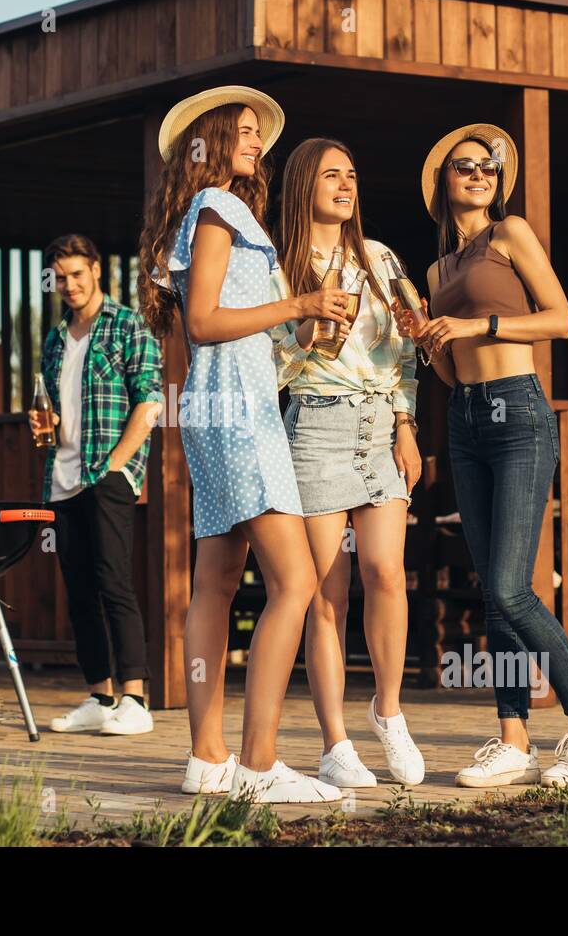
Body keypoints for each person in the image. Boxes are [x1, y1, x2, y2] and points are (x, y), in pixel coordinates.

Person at [138, 85, 351, 803]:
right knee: (295, 583)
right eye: (247, 130)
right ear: (212, 137)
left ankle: (207, 759)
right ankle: (259, 766)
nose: (259, 142)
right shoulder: (221, 208)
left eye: (261, 133)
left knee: (217, 583)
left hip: (218, 405)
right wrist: (299, 302)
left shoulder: (210, 212)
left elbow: (234, 324)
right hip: (240, 416)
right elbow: (202, 320)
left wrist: (305, 326)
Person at [401, 125, 568, 786]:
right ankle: (514, 740)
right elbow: (446, 371)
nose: (480, 174)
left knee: (508, 586)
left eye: (489, 168)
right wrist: (428, 339)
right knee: (492, 596)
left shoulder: (511, 234)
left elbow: (560, 319)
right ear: (443, 182)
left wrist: (478, 324)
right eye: (465, 167)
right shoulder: (437, 270)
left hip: (518, 410)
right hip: (465, 417)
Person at [269, 138, 425, 788]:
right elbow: (270, 361)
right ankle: (335, 742)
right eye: (331, 175)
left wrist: (408, 425)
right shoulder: (280, 265)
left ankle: (387, 711)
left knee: (387, 573)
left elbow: (404, 353)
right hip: (315, 425)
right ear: (304, 185)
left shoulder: (380, 257)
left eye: (352, 175)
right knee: (326, 594)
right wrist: (305, 338)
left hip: (378, 423)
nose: (345, 184)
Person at [28, 233, 163, 736]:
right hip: (61, 477)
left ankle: (135, 699)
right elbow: (49, 405)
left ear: (96, 271)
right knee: (79, 590)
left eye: (76, 275)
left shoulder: (129, 325)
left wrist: (115, 465)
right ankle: (100, 695)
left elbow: (149, 401)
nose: (68, 285)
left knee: (114, 582)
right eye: (60, 278)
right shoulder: (56, 337)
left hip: (107, 474)